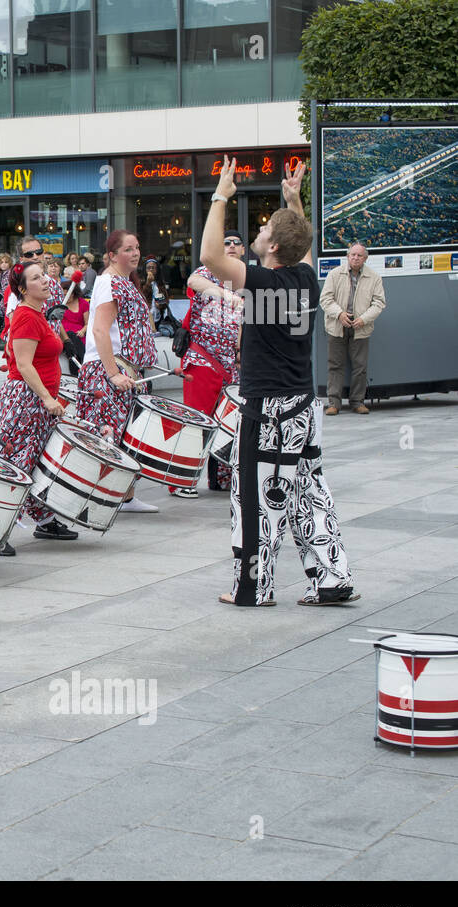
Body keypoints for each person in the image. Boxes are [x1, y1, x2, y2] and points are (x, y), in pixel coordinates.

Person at [202, 156, 355, 608]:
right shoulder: (306, 278)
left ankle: (253, 587)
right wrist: (294, 202)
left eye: (267, 228)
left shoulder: (263, 281)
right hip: (303, 408)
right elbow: (302, 246)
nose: (260, 231)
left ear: (271, 248)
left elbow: (211, 256)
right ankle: (331, 578)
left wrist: (220, 197)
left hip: (267, 408)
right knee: (309, 491)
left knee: (255, 500)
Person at [0, 262, 79, 542]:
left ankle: (44, 519)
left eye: (43, 275)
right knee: (17, 463)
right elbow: (24, 364)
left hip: (36, 402)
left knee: (34, 461)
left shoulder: (37, 314)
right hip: (25, 401)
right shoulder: (27, 316)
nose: (44, 280)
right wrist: (46, 397)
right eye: (36, 278)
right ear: (22, 289)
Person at [77, 229, 159, 514]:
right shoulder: (110, 283)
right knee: (107, 436)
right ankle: (101, 497)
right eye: (127, 249)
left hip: (124, 370)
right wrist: (112, 373)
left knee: (123, 437)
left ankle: (124, 496)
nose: (135, 253)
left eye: (137, 247)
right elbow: (100, 329)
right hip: (108, 370)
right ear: (112, 255)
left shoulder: (122, 282)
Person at [183, 231, 247, 494]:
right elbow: (192, 281)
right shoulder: (207, 271)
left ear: (243, 250)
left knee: (229, 423)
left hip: (231, 363)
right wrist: (223, 292)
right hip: (203, 358)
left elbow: (244, 318)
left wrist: (241, 350)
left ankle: (222, 478)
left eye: (236, 243)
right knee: (196, 422)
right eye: (226, 243)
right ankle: (184, 480)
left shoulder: (245, 277)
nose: (231, 246)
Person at [319, 241, 385, 415]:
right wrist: (339, 314)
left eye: (359, 255)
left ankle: (357, 402)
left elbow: (379, 303)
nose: (356, 258)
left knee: (360, 367)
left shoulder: (374, 277)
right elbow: (325, 299)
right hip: (337, 326)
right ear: (347, 256)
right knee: (335, 365)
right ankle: (334, 403)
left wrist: (364, 319)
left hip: (361, 327)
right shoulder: (334, 274)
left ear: (365, 258)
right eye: (353, 255)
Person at [59, 278, 90, 376]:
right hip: (63, 336)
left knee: (75, 338)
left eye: (67, 294)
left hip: (79, 335)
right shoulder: (59, 304)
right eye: (63, 295)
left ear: (73, 293)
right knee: (70, 336)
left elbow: (88, 323)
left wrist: (83, 331)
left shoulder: (83, 303)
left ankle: (81, 368)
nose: (65, 297)